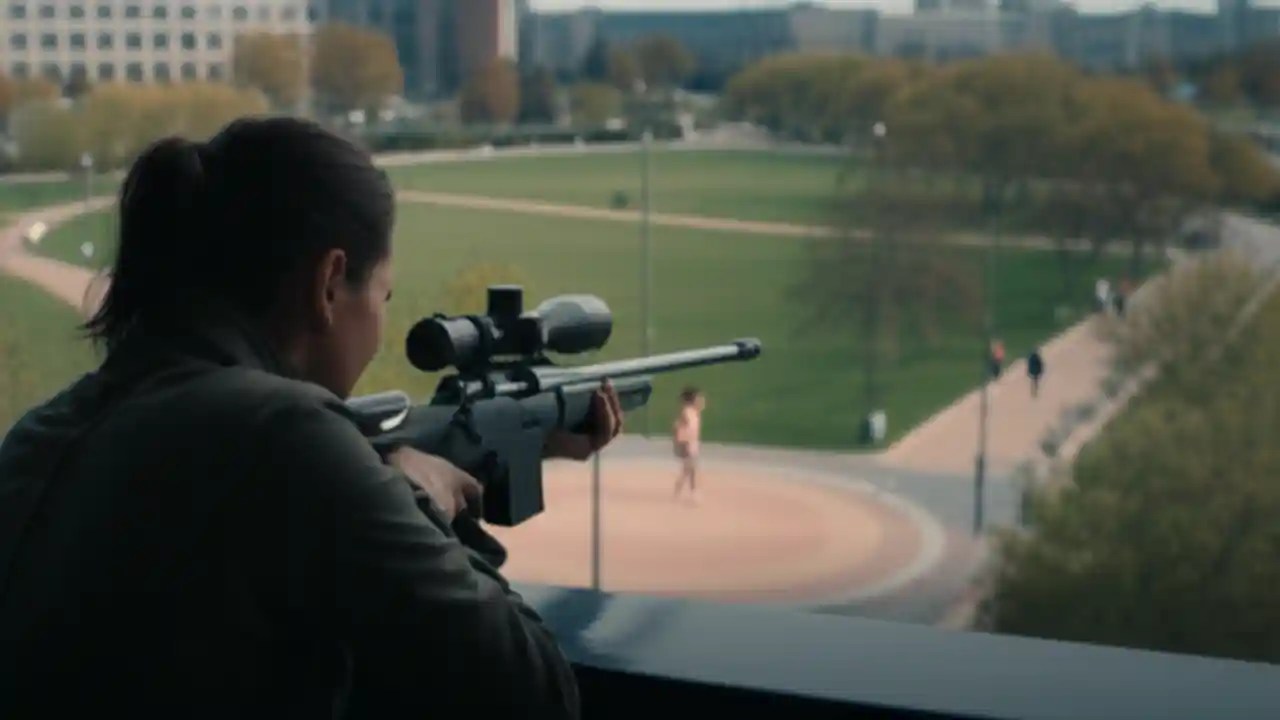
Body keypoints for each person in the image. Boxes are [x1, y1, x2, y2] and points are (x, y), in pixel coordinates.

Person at [0, 118, 622, 718]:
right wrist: (418, 503)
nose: (379, 325)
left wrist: (526, 441)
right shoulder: (287, 437)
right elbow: (535, 691)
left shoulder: (40, 433)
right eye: (382, 295)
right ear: (328, 284)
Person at [672, 387, 705, 503]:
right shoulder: (687, 412)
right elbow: (677, 426)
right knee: (692, 468)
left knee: (687, 470)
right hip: (686, 444)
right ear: (692, 400)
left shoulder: (695, 412)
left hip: (692, 444)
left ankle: (678, 490)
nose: (701, 400)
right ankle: (693, 492)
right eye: (698, 398)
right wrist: (679, 441)